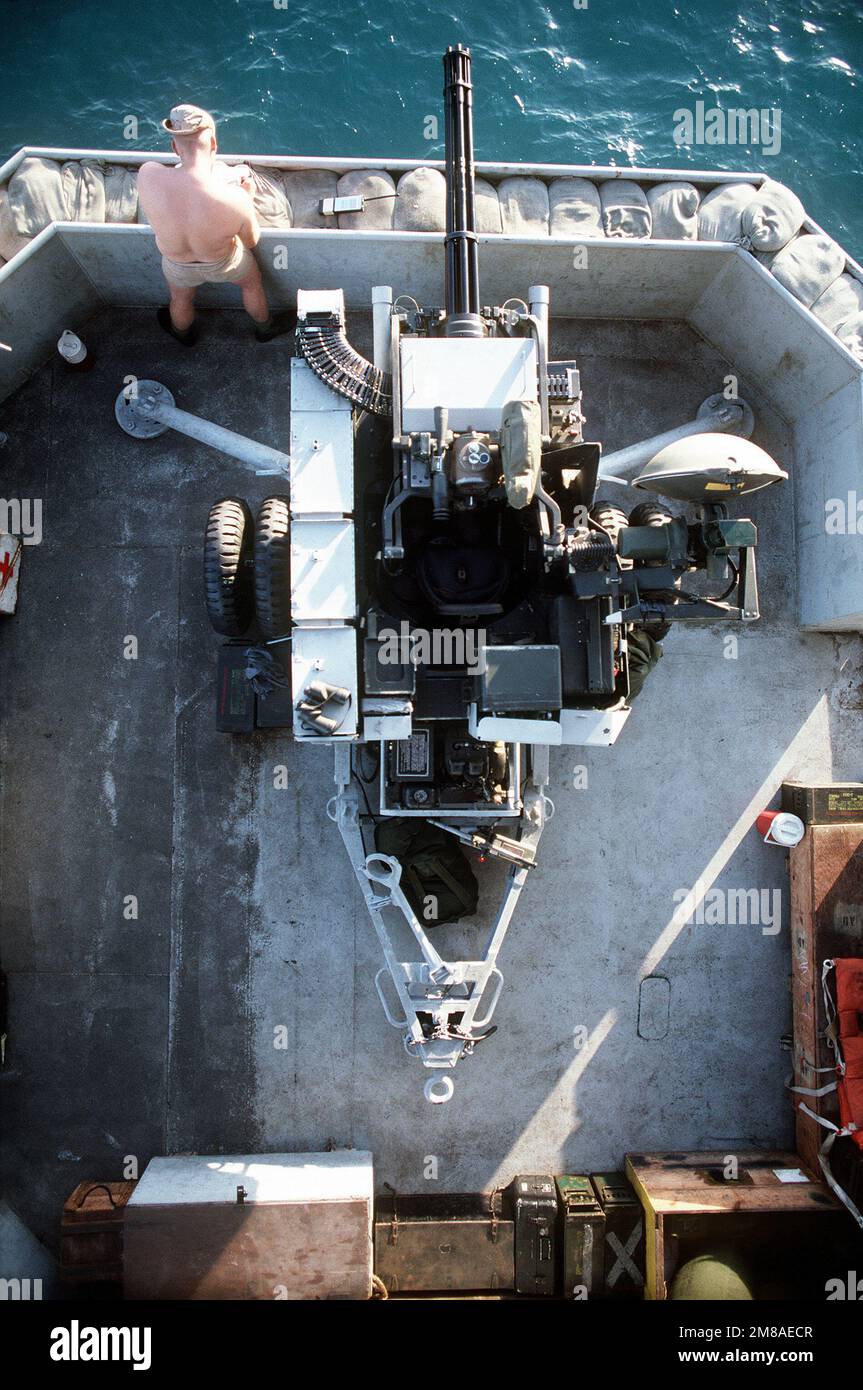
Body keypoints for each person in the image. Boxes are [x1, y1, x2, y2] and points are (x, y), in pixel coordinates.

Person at [137, 104, 292, 345]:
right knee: (251, 285)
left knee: (180, 299)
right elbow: (251, 241)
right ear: (213, 145)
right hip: (224, 263)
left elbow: (184, 192)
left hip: (177, 264)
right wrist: (247, 196)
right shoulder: (234, 197)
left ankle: (183, 335)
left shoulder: (147, 175)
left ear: (174, 147)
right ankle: (264, 328)